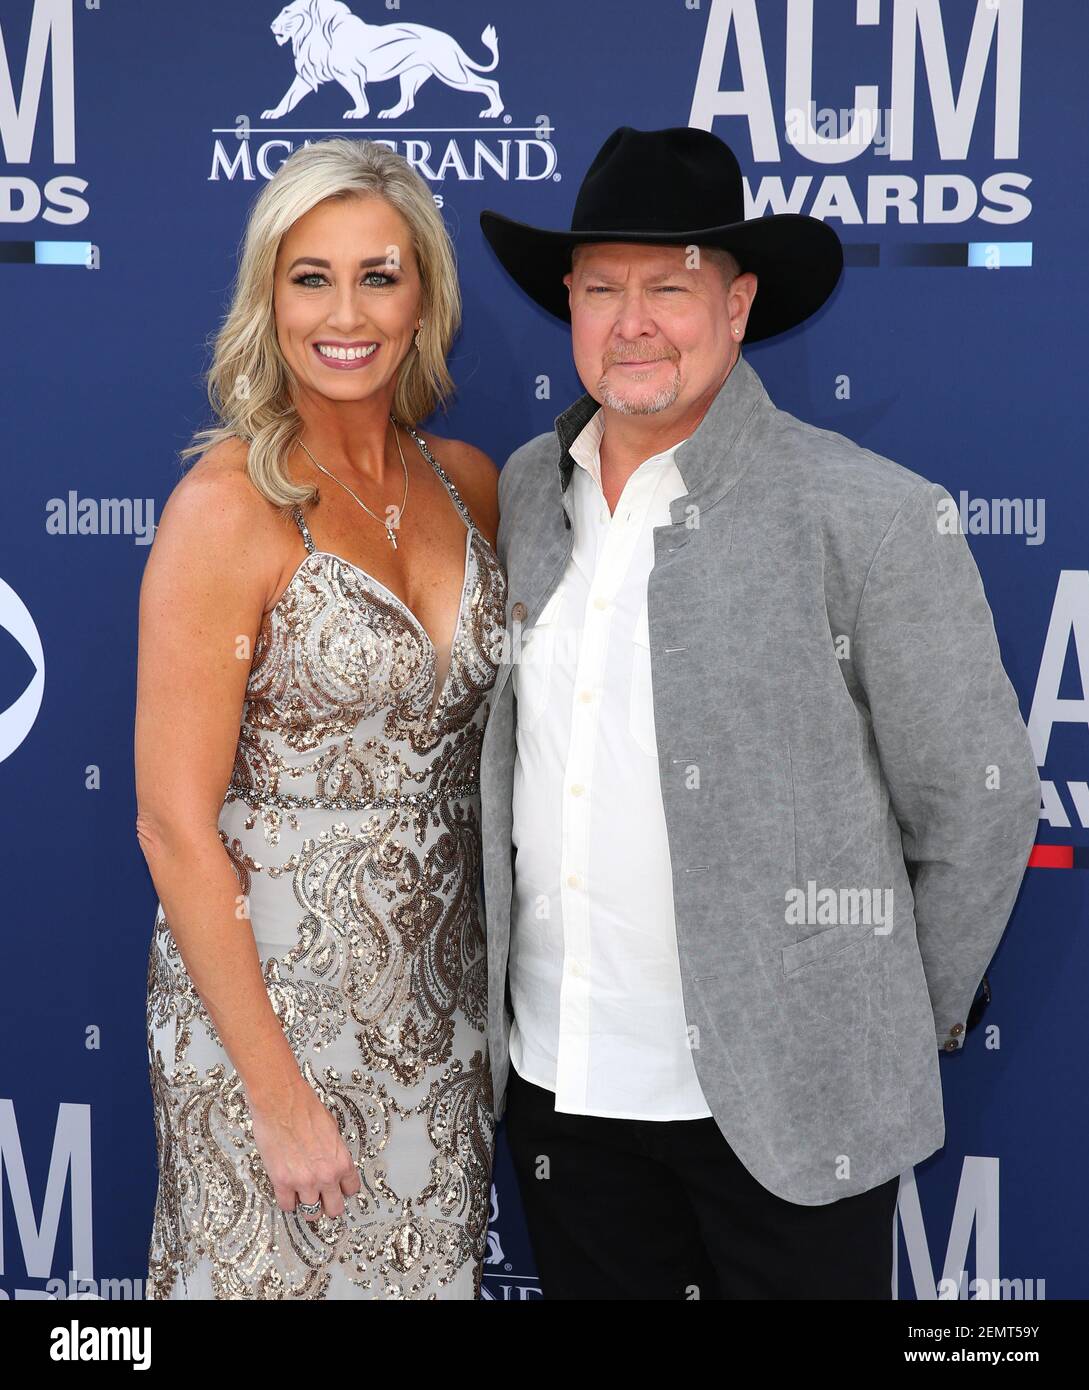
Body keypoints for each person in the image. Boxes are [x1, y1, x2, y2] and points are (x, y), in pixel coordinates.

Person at [476, 125, 1041, 1299]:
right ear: (568, 308)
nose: (632, 321)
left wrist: (861, 1027)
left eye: (669, 286)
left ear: (737, 305)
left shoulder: (871, 517)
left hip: (794, 1114)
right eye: (602, 289)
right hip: (563, 1094)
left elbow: (980, 812)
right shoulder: (524, 490)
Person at [136, 136, 506, 1300]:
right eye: (311, 276)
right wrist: (280, 1098)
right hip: (270, 1021)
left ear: (425, 299)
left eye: (379, 275)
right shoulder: (225, 505)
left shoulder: (470, 482)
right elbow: (171, 826)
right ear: (270, 298)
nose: (345, 312)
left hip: (445, 1025)